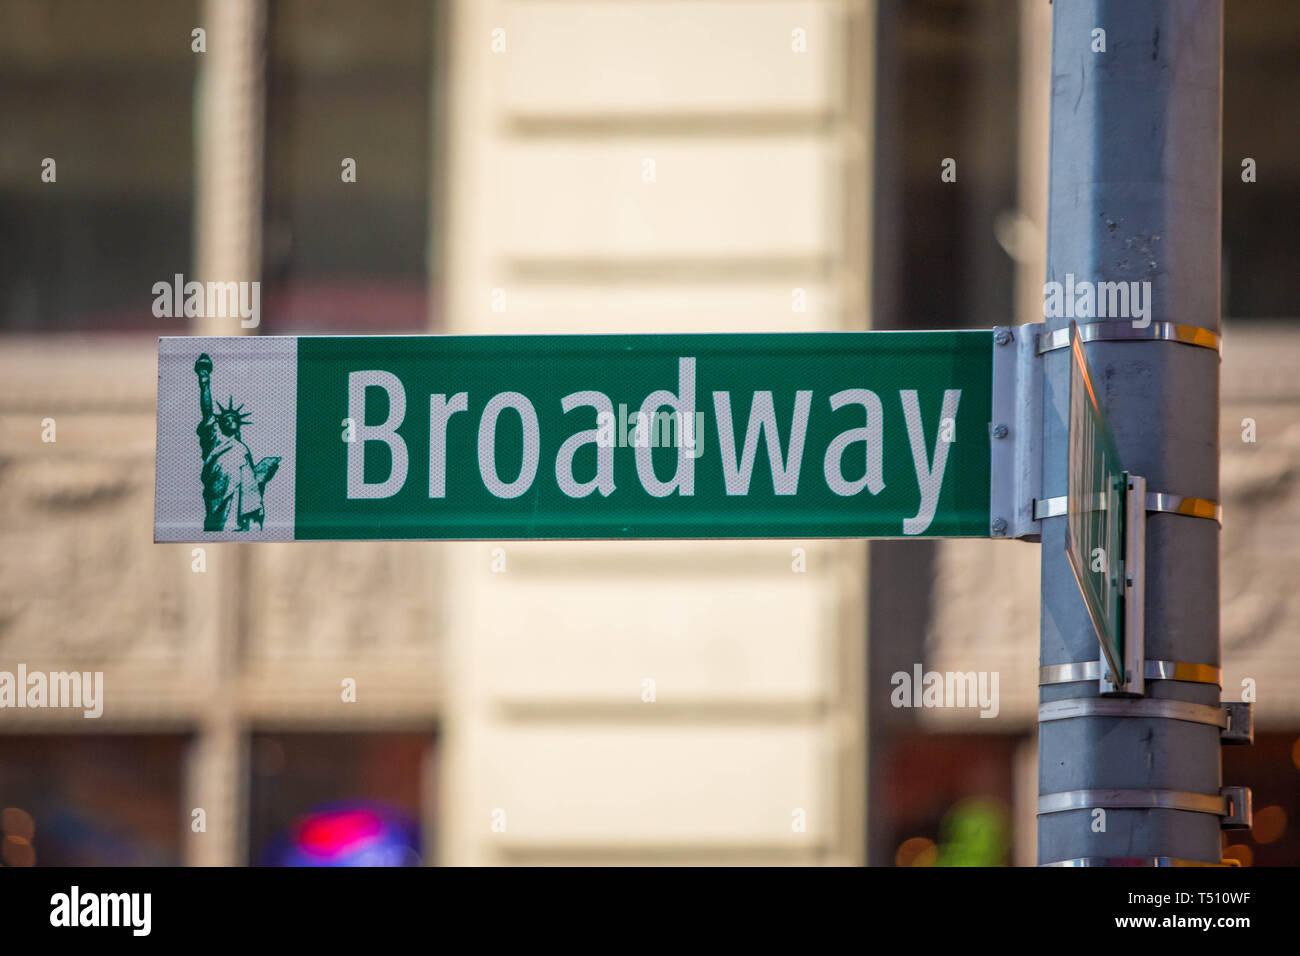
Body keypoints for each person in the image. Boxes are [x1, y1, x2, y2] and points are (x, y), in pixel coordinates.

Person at [193, 353, 280, 531]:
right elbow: (208, 412)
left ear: (238, 423)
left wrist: (264, 469)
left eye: (233, 419)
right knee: (216, 525)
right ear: (220, 423)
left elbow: (252, 483)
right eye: (225, 419)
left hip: (242, 501)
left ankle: (244, 525)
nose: (229, 421)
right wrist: (204, 382)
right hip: (218, 487)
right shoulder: (214, 437)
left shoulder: (242, 448)